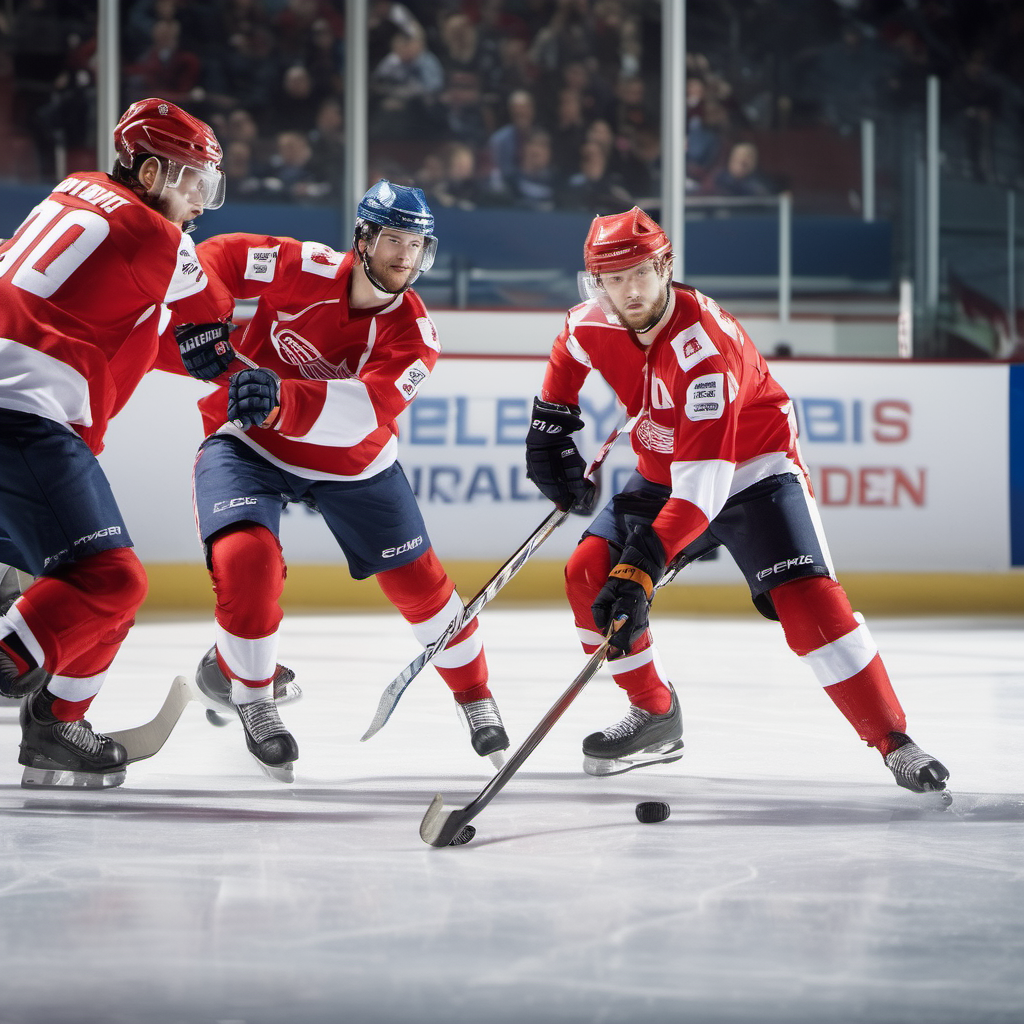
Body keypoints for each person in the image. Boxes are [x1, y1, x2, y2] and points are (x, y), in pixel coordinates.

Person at [524, 207, 949, 798]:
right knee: (587, 573)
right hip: (667, 472)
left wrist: (643, 563)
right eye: (613, 280)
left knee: (809, 605)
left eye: (641, 273)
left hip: (753, 472)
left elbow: (703, 490)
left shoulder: (704, 353)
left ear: (665, 266)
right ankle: (654, 715)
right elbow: (567, 351)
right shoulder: (590, 321)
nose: (629, 291)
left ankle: (895, 743)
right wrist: (550, 426)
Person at [185, 180, 509, 781]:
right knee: (245, 562)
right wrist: (204, 322)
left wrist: (282, 400)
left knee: (421, 587)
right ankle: (255, 700)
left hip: (352, 462)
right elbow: (221, 256)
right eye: (392, 239)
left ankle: (475, 694)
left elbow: (366, 410)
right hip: (249, 444)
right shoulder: (302, 267)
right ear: (361, 238)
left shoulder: (417, 337)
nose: (405, 257)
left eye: (417, 244)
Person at [0, 97, 236, 788]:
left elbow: (133, 331)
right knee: (113, 581)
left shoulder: (69, 192)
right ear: (153, 169)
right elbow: (209, 326)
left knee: (97, 587)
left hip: (18, 406)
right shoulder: (160, 241)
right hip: (21, 415)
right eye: (192, 180)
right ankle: (16, 661)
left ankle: (56, 728)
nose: (199, 199)